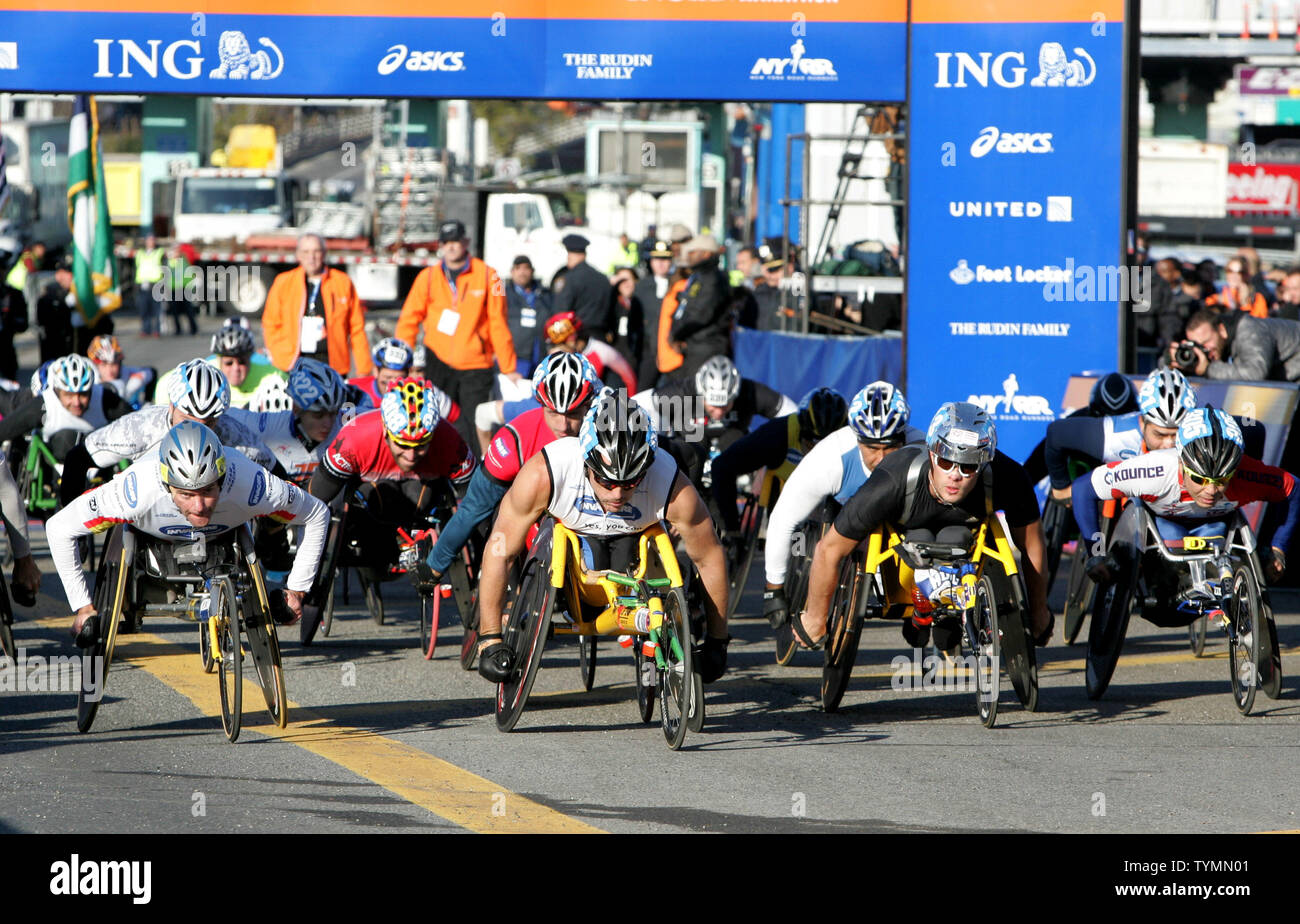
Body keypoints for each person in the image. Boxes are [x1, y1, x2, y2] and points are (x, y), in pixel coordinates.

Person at [473, 388, 732, 685]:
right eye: (606, 481)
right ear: (587, 463)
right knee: (587, 592)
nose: (618, 494)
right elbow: (501, 548)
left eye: (631, 482)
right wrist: (490, 638)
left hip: (635, 539)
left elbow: (710, 556)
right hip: (576, 548)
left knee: (674, 567)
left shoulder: (670, 483)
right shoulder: (546, 472)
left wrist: (717, 640)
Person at [794, 402, 1053, 652]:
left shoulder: (1010, 478)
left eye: (968, 466)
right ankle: (920, 612)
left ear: (984, 463)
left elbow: (1031, 543)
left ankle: (944, 615)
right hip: (905, 549)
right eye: (946, 462)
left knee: (945, 639)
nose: (955, 474)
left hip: (965, 543)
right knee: (919, 631)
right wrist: (816, 618)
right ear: (932, 453)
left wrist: (1039, 610)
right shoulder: (892, 479)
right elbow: (829, 549)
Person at [50, 421, 331, 643]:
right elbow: (59, 528)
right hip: (152, 540)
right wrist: (83, 607)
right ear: (167, 484)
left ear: (222, 477)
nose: (198, 506)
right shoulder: (133, 491)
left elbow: (317, 513)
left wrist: (297, 590)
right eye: (186, 494)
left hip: (224, 538)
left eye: (208, 490)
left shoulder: (252, 483)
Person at [305, 377, 478, 634]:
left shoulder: (450, 442)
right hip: (367, 512)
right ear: (386, 430)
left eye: (420, 446)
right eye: (403, 445)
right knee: (348, 498)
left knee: (434, 495)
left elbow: (479, 508)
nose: (410, 455)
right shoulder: (355, 437)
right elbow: (315, 498)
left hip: (419, 503)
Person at [1073, 408, 1299, 596]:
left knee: (1218, 537)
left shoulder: (1247, 475)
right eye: (1200, 479)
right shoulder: (1153, 470)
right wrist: (1096, 552)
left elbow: (1294, 488)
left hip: (1216, 526)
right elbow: (1083, 489)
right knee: (1172, 543)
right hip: (1163, 526)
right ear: (1181, 464)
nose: (1210, 490)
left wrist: (1278, 548)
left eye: (1221, 480)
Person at [421, 351, 601, 586]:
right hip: (524, 512)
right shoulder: (517, 435)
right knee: (491, 512)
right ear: (541, 403)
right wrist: (434, 566)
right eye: (554, 413)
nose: (563, 425)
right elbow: (472, 509)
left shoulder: (604, 427)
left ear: (589, 405)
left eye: (574, 414)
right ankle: (509, 596)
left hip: (579, 516)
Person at [762, 382, 922, 631]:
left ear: (904, 438)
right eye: (872, 448)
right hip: (842, 509)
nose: (880, 459)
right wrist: (774, 588)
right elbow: (783, 518)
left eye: (890, 448)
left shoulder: (920, 448)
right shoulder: (831, 455)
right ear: (857, 438)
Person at [58, 359, 275, 509]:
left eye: (208, 422)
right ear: (171, 406)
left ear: (220, 417)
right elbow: (77, 458)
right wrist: (73, 523)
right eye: (188, 420)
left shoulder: (233, 433)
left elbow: (276, 473)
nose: (197, 431)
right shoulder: (140, 428)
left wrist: (272, 534)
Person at [395, 219, 522, 454]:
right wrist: (402, 361)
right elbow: (409, 319)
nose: (451, 247)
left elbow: (499, 324)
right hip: (438, 361)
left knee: (474, 425)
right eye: (446, 242)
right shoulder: (428, 277)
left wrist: (508, 366)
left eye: (456, 241)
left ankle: (471, 479)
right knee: (435, 420)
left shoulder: (489, 276)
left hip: (475, 365)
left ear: (466, 242)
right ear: (440, 246)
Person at [473, 311, 637, 452]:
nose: (563, 423)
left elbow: (628, 378)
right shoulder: (534, 406)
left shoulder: (599, 355)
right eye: (553, 348)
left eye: (562, 347)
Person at [710, 386, 848, 549]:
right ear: (801, 427)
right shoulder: (779, 432)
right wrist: (731, 526)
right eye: (813, 442)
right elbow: (722, 466)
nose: (818, 450)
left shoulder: (850, 442)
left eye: (827, 444)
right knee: (723, 466)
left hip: (829, 494)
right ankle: (735, 534)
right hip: (782, 488)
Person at [636, 354, 797, 492]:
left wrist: (767, 461)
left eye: (725, 404)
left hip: (731, 448)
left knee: (735, 440)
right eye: (713, 405)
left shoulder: (749, 392)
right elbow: (637, 407)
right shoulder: (682, 391)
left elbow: (791, 415)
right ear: (701, 392)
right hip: (691, 447)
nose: (719, 412)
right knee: (694, 440)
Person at [262, 233, 373, 378]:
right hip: (294, 365)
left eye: (316, 251)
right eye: (306, 252)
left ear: (324, 254)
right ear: (298, 255)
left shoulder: (342, 282)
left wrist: (364, 371)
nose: (311, 257)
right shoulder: (284, 282)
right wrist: (279, 355)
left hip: (332, 367)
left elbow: (357, 329)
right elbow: (270, 324)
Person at [0, 354, 131, 463]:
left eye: (83, 394)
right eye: (69, 395)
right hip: (53, 462)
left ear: (92, 390)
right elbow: (5, 430)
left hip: (98, 462)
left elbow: (139, 425)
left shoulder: (104, 399)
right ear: (57, 392)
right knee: (67, 436)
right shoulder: (44, 404)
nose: (76, 402)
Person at [155, 319, 286, 409]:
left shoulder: (273, 375)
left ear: (251, 358)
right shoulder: (205, 372)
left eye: (242, 362)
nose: (236, 368)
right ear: (218, 360)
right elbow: (163, 384)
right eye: (229, 363)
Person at [1171, 307, 1300, 382]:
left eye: (1206, 342)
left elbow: (1254, 374)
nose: (1205, 349)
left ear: (1221, 330)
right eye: (1198, 346)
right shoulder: (1224, 344)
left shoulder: (1250, 331)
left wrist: (1208, 369)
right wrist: (1173, 360)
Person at [668, 235, 734, 379]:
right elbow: (686, 306)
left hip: (707, 348)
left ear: (706, 253)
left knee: (696, 396)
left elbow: (700, 314)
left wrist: (677, 333)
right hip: (693, 346)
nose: (688, 256)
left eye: (693, 252)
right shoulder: (699, 276)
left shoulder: (713, 279)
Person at [553, 233, 612, 343]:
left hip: (577, 340)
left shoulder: (568, 279)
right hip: (601, 340)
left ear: (569, 255)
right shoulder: (603, 278)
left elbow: (560, 315)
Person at [634, 240, 674, 389]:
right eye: (657, 259)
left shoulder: (678, 285)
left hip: (671, 350)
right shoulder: (642, 287)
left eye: (665, 259)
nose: (661, 263)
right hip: (648, 352)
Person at [504, 256, 552, 379]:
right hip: (517, 359)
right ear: (512, 272)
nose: (522, 272)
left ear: (532, 271)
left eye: (526, 268)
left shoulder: (544, 294)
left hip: (541, 357)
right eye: (518, 268)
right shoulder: (504, 296)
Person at [86, 334, 155, 410]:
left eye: (114, 364)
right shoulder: (89, 379)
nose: (110, 370)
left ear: (120, 363)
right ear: (95, 365)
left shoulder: (127, 372)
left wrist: (146, 399)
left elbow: (152, 372)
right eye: (104, 365)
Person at [35, 262, 75, 363]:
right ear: (59, 275)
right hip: (55, 347)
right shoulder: (50, 293)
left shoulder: (75, 292)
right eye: (68, 273)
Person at [1205, 257, 1269, 319]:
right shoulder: (1214, 300)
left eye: (1239, 272)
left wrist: (1245, 304)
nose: (1234, 276)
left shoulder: (1257, 299)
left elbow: (1259, 325)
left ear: (1247, 275)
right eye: (1230, 271)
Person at [607, 266, 643, 376]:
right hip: (614, 358)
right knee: (619, 390)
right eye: (621, 281)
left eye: (629, 280)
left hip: (634, 358)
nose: (626, 284)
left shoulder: (640, 303)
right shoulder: (611, 303)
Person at [134, 233, 166, 338]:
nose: (150, 242)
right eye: (149, 240)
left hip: (155, 285)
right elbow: (137, 267)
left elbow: (165, 267)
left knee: (156, 310)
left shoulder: (159, 252)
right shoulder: (140, 253)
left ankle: (157, 330)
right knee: (144, 309)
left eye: (152, 240)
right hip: (143, 285)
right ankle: (145, 330)